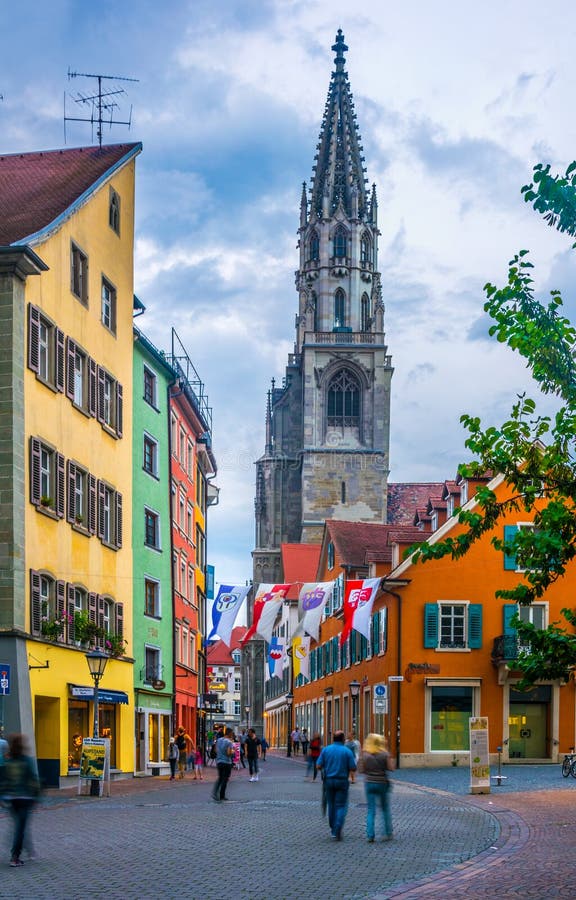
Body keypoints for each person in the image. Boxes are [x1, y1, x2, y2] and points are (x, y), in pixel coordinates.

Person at [0, 733, 40, 867]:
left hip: (12, 798)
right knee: (20, 827)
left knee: (19, 825)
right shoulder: (27, 760)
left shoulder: (8, 760)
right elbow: (33, 779)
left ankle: (27, 851)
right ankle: (15, 856)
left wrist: (2, 796)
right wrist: (37, 796)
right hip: (25, 798)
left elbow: (3, 780)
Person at [316, 730, 356, 840]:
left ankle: (333, 829)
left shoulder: (326, 750)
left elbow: (318, 765)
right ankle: (338, 827)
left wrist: (325, 768)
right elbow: (353, 767)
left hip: (329, 781)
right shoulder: (347, 751)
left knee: (331, 804)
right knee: (341, 805)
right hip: (342, 781)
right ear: (343, 739)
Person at [358, 733, 394, 842]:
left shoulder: (365, 755)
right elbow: (391, 768)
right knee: (385, 808)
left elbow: (361, 770)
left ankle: (370, 835)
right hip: (382, 783)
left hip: (369, 783)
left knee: (371, 809)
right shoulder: (385, 754)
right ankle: (387, 833)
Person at [212, 727, 234, 801]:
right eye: (232, 733)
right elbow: (228, 753)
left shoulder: (219, 740)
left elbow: (215, 750)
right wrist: (232, 752)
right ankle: (222, 795)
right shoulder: (229, 742)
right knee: (225, 779)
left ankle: (215, 792)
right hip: (226, 762)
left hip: (219, 762)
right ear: (230, 733)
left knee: (220, 777)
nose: (232, 735)